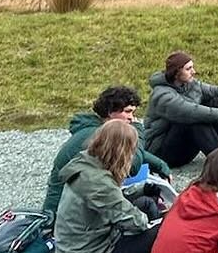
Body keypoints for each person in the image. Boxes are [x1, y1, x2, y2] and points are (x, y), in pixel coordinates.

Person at [54, 120, 162, 253]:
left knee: (146, 202)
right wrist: (156, 222)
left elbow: (112, 200)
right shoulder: (96, 182)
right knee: (162, 230)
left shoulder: (88, 162)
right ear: (122, 151)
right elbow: (134, 220)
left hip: (92, 248)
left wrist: (142, 190)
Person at [41, 85, 171, 222]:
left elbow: (126, 152)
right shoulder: (95, 136)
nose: (132, 119)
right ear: (110, 112)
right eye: (128, 112)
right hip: (66, 215)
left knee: (147, 199)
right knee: (145, 206)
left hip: (82, 202)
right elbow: (132, 166)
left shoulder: (96, 129)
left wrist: (160, 164)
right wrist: (137, 133)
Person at [145, 51, 218, 167]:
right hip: (162, 154)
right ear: (176, 73)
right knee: (194, 118)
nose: (193, 72)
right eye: (188, 69)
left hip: (182, 148)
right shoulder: (162, 95)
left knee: (215, 100)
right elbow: (189, 111)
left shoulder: (190, 84)